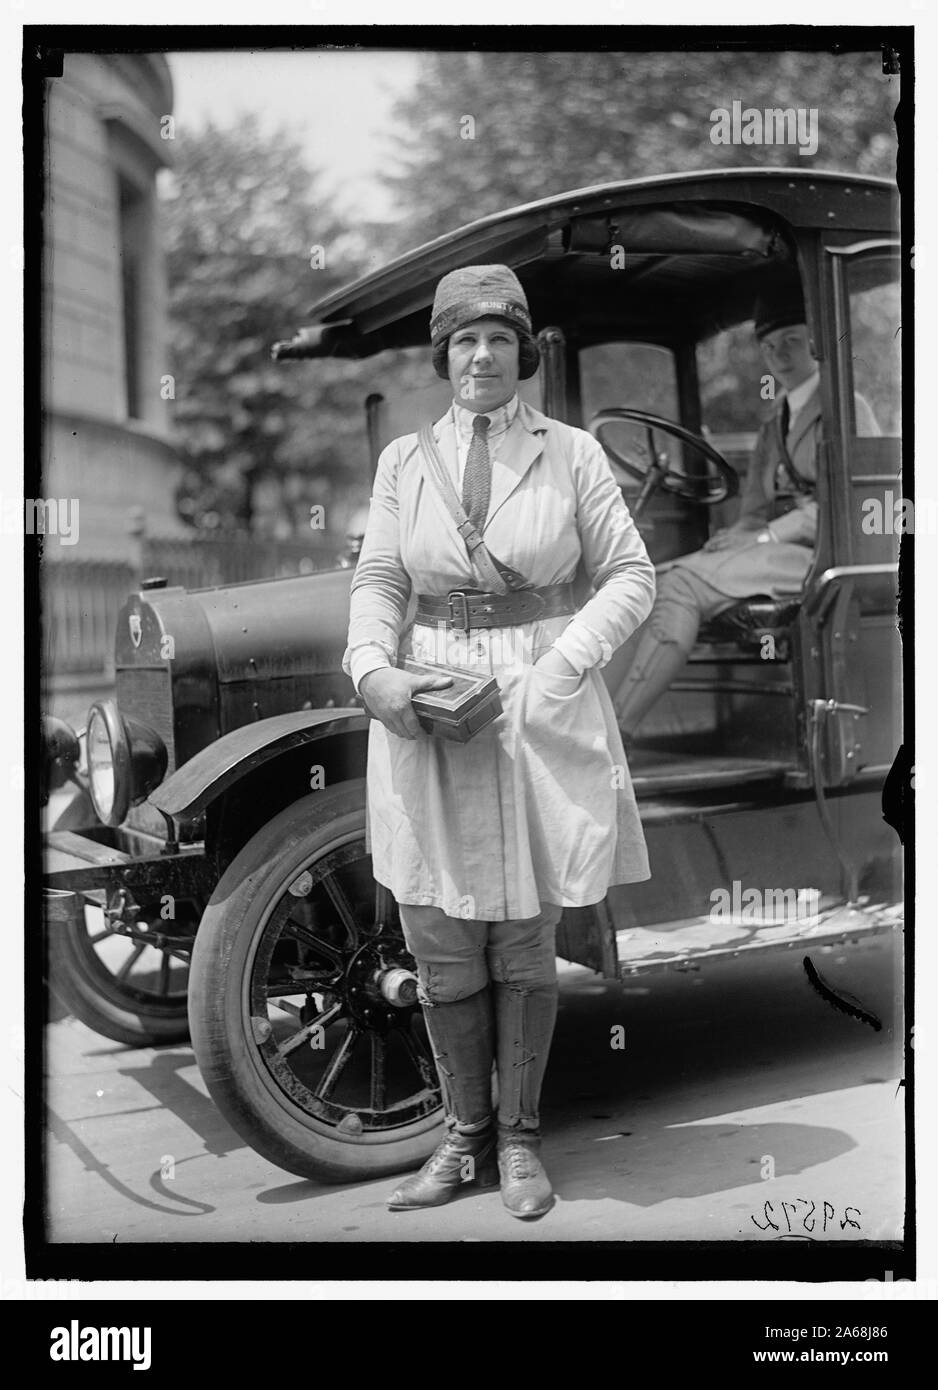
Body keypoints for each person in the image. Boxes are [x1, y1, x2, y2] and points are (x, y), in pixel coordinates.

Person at [343, 264, 656, 1219]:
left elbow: (632, 576)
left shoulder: (571, 454)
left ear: (525, 351)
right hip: (429, 697)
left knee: (522, 935)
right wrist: (373, 671)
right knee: (439, 934)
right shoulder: (405, 461)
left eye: (499, 339)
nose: (482, 356)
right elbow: (381, 579)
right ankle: (460, 1138)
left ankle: (519, 1143)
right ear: (444, 356)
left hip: (537, 690)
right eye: (464, 341)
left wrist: (560, 669)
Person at [610, 284, 879, 737]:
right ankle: (605, 728)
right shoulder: (776, 421)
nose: (780, 354)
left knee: (677, 584)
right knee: (647, 580)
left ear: (815, 342)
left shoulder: (846, 409)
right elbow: (755, 509)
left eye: (792, 341)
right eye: (770, 346)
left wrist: (762, 537)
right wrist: (739, 536)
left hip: (826, 556)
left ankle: (618, 734)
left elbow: (848, 505)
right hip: (777, 553)